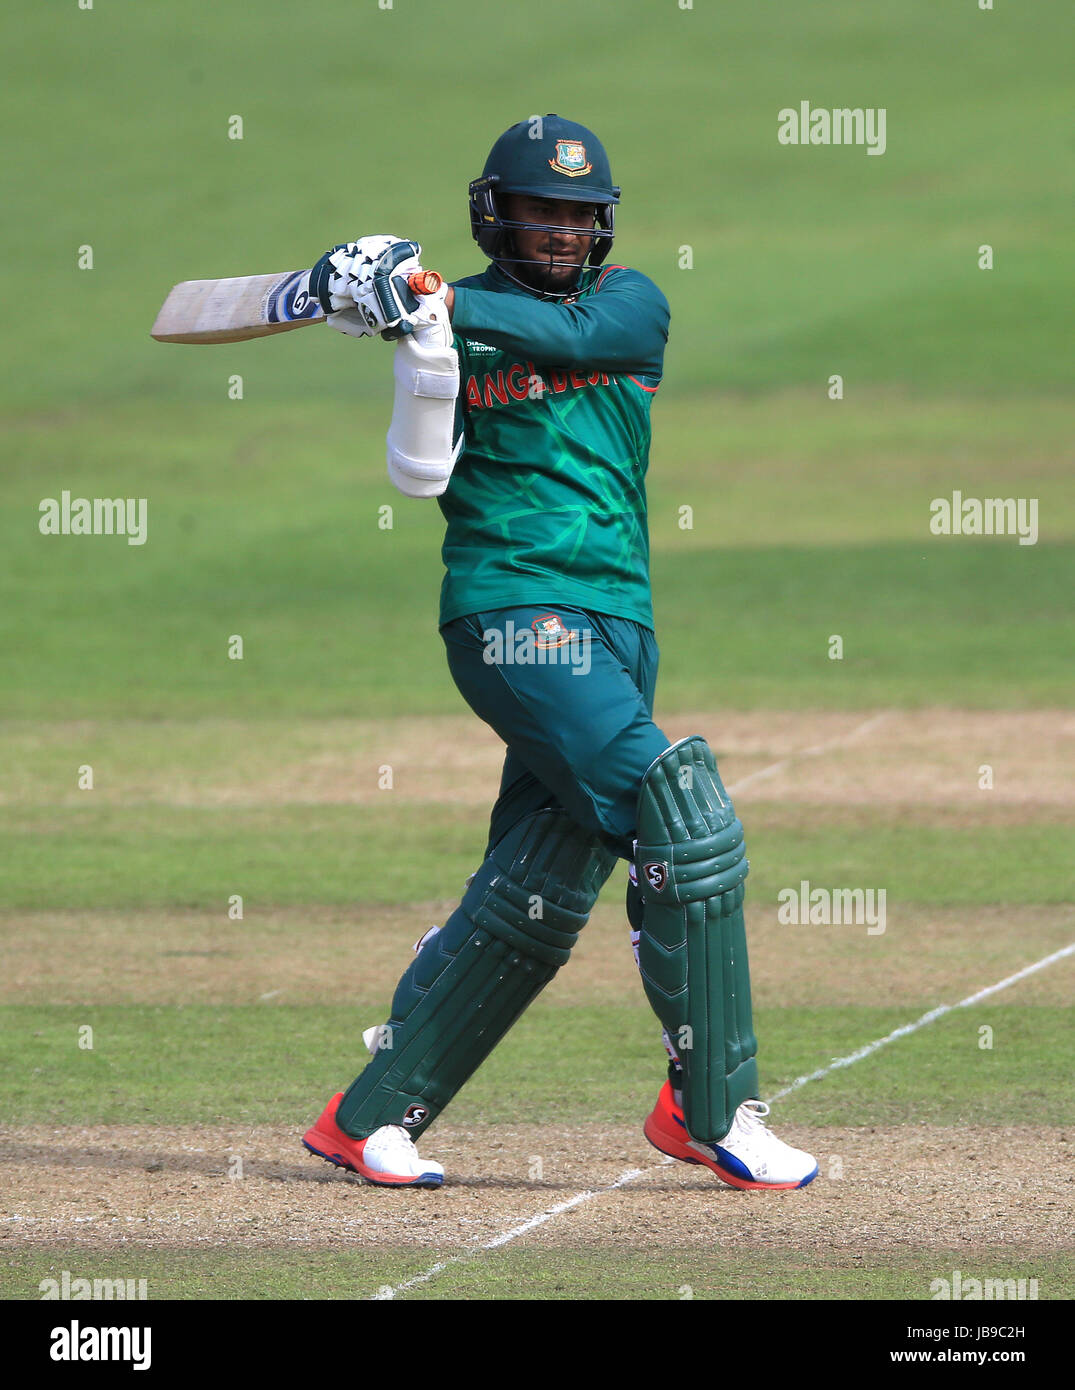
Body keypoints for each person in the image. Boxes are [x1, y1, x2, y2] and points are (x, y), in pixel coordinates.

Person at [301, 115, 817, 1192]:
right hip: (514, 613)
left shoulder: (631, 305)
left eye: (579, 215)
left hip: (620, 620)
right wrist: (424, 342)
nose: (560, 232)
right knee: (686, 816)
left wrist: (424, 297)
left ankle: (372, 1116)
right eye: (541, 211)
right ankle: (712, 1104)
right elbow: (416, 476)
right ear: (498, 214)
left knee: (542, 879)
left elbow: (578, 345)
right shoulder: (455, 330)